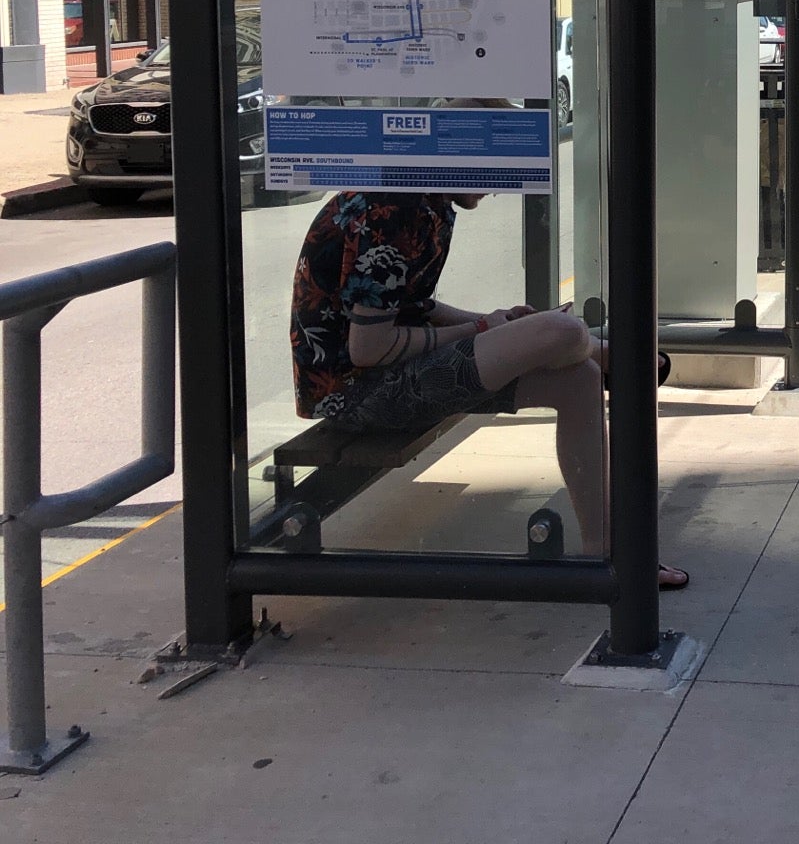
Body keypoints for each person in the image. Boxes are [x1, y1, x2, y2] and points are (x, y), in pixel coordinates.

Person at [289, 190, 688, 589]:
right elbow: (369, 349)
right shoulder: (395, 208)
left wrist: (496, 325)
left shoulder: (429, 204)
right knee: (563, 331)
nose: (495, 187)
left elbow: (416, 306)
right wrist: (483, 330)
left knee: (579, 377)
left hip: (391, 376)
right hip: (356, 395)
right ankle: (610, 357)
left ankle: (608, 554)